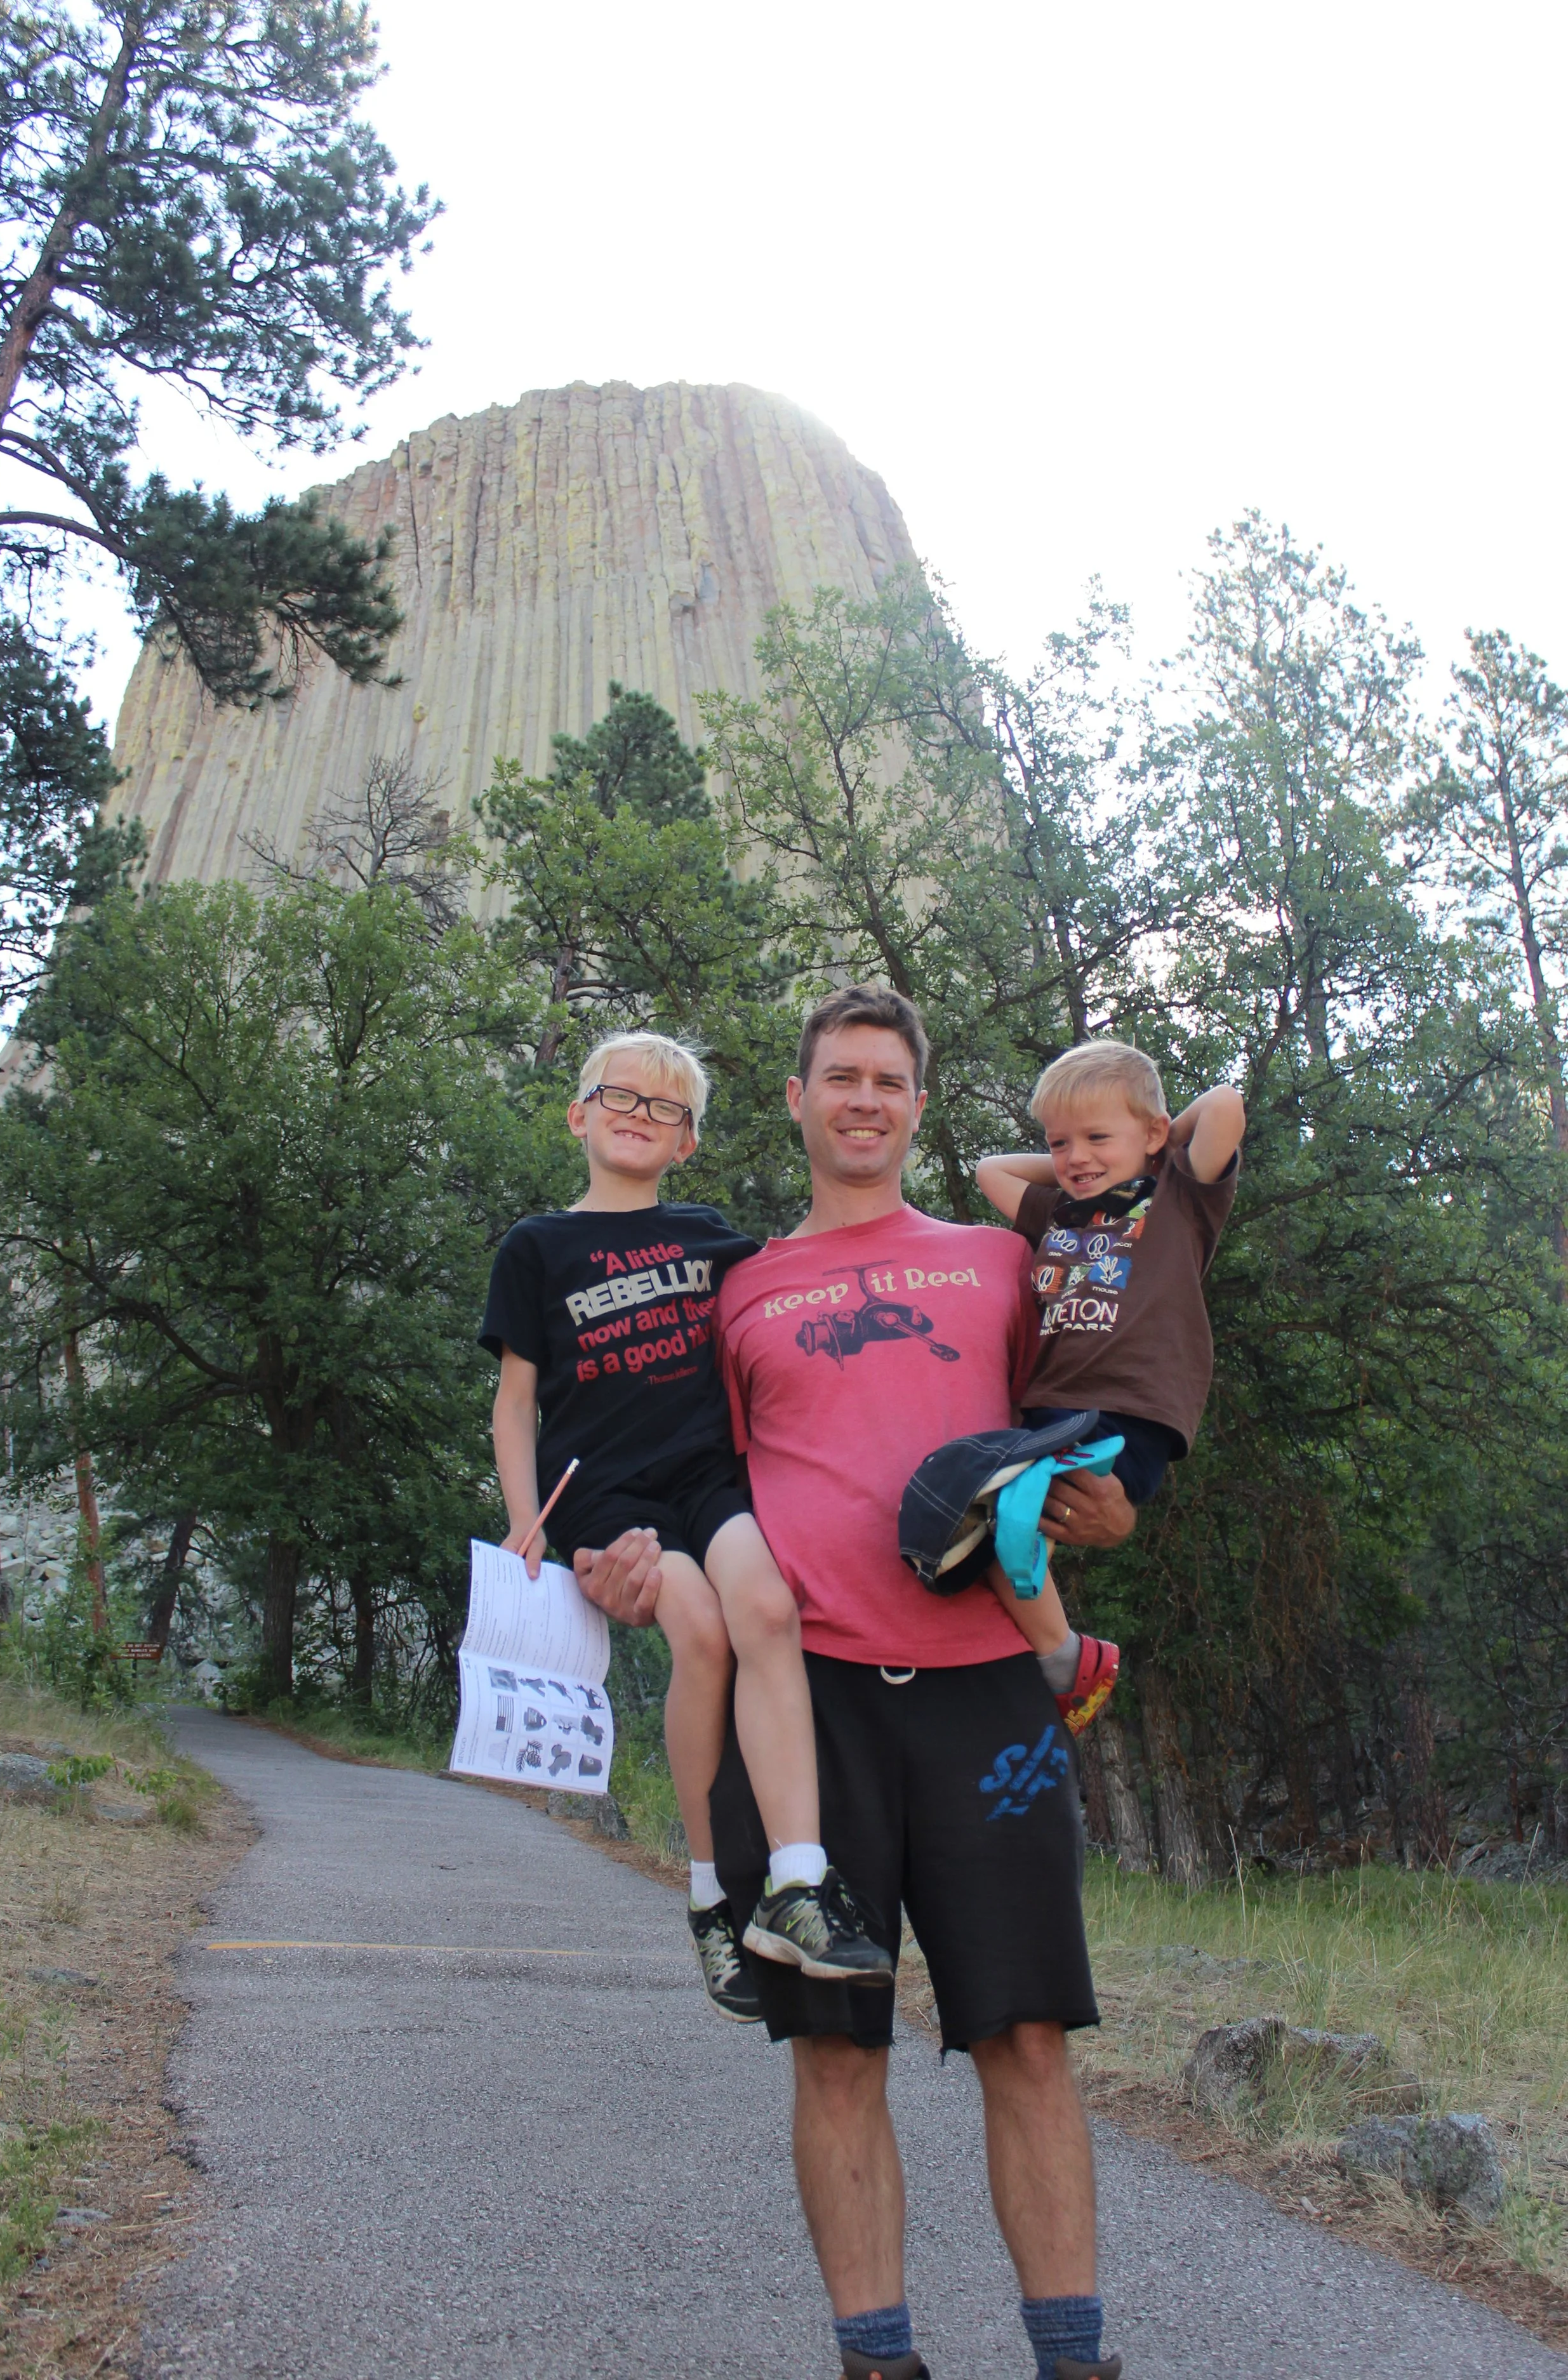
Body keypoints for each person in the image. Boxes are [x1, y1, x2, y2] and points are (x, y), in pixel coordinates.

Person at [573, 988, 1133, 2380]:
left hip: (988, 1694)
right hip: (803, 1708)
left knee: (1023, 2040)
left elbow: (1105, 1415)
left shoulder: (1002, 1263)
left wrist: (1114, 1510)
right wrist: (621, 1561)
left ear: (918, 1107)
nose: (864, 1100)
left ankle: (1074, 2362)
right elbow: (665, 1471)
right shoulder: (734, 1287)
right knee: (832, 2054)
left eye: (889, 1079)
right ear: (796, 1098)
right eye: (840, 1078)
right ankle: (875, 2364)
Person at [479, 1029, 892, 2025]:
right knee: (701, 1635)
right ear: (579, 1113)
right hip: (605, 1498)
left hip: (711, 1477)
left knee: (765, 1607)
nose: (639, 1114)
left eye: (667, 1108)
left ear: (689, 1142)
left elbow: (787, 1316)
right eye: (619, 1095)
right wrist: (524, 1520)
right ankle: (711, 1895)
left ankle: (796, 1879)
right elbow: (513, 1402)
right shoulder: (536, 1246)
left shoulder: (713, 1235)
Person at [974, 1040, 1245, 1725]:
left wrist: (1158, 1142)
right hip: (1048, 1407)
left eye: (1097, 1137)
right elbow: (990, 1169)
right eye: (1059, 1142)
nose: (1074, 1157)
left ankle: (1058, 1664)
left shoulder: (1179, 1198)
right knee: (988, 1534)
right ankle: (1062, 1658)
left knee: (1018, 1511)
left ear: (1153, 1136)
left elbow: (1225, 1106)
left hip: (1129, 1409)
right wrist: (1090, 1153)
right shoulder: (1055, 1215)